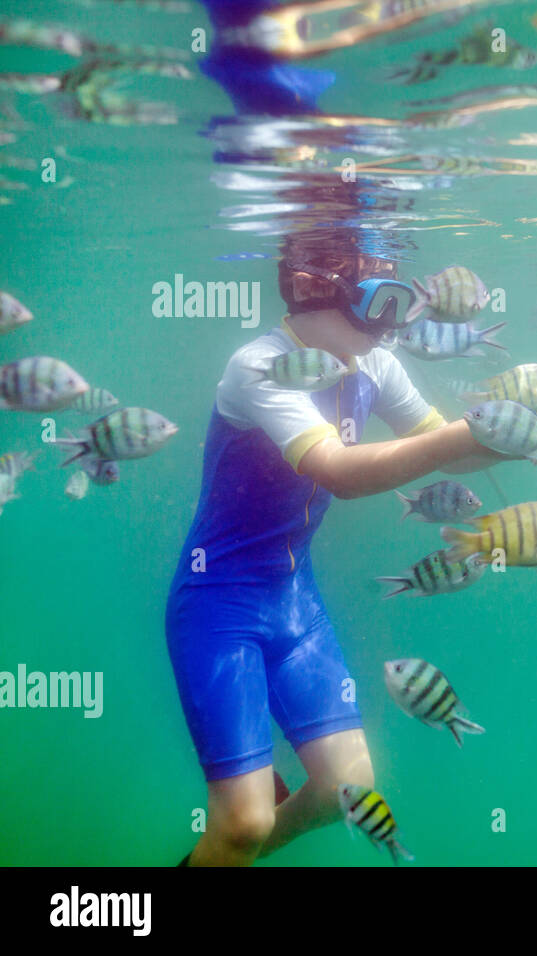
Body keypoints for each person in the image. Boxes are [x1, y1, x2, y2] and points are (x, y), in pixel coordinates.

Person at [166, 235, 502, 866]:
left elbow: (444, 443)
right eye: (382, 303)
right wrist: (466, 435)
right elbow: (340, 474)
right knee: (243, 822)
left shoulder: (375, 362)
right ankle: (231, 843)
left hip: (296, 604)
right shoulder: (259, 364)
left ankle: (237, 846)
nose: (393, 325)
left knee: (346, 789)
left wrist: (521, 435)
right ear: (315, 289)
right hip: (218, 606)